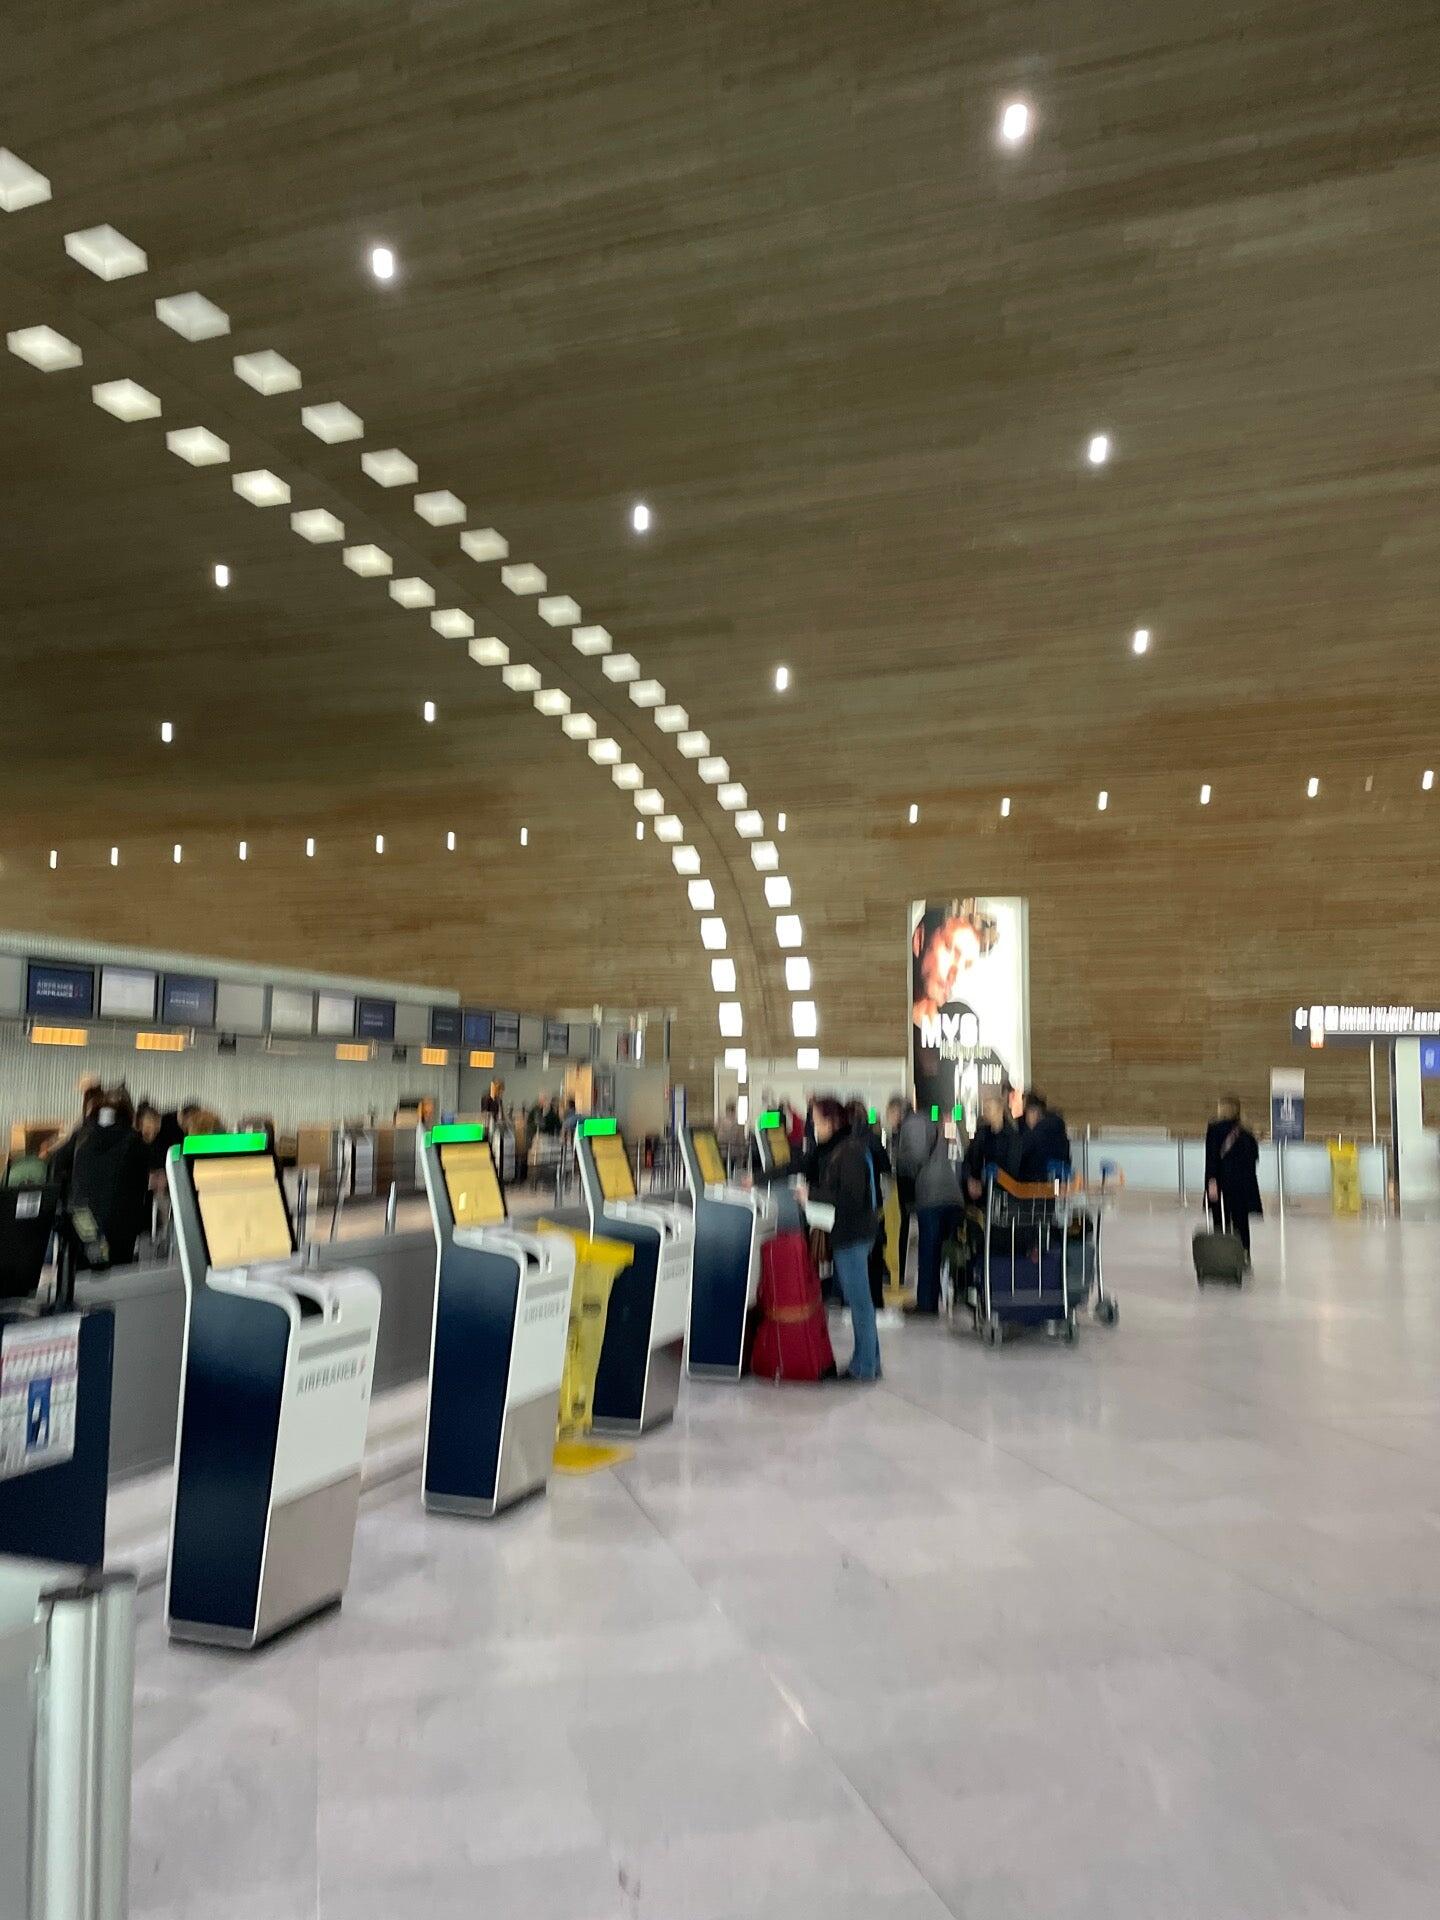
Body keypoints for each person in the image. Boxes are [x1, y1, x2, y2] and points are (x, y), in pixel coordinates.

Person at [752, 1095, 882, 1381]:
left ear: (832, 1121)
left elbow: (850, 1198)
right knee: (860, 1300)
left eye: (817, 1120)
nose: (813, 1125)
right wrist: (757, 1179)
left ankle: (864, 1368)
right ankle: (871, 1362)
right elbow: (796, 1165)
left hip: (854, 1235)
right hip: (849, 1233)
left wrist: (812, 1195)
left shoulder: (849, 1152)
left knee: (859, 1301)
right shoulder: (831, 1149)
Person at [69, 1088, 152, 1267]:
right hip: (121, 1226)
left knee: (82, 1280)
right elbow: (143, 1182)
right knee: (118, 1280)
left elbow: (59, 1168)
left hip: (83, 1222)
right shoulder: (134, 1142)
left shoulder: (81, 1137)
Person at [912, 1124, 965, 1315]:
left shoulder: (920, 1148)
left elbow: (909, 1168)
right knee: (953, 1252)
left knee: (929, 1253)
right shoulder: (951, 1143)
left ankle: (927, 1304)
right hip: (955, 1201)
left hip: (931, 1202)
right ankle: (958, 1296)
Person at [1205, 1096, 1261, 1266]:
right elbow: (1254, 1158)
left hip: (1222, 1183)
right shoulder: (1247, 1131)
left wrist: (1211, 1181)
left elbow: (1212, 1157)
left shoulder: (1215, 1129)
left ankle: (1222, 1256)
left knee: (1220, 1220)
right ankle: (1244, 1254)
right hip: (1243, 1184)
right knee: (1241, 1222)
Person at [889, 1095, 936, 1288]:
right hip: (913, 1186)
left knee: (913, 1231)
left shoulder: (912, 1124)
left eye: (890, 1112)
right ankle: (908, 1277)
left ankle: (911, 1279)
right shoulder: (909, 1125)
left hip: (915, 1187)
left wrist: (907, 1174)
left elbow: (917, 1157)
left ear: (898, 1111)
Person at [1017, 1090, 1071, 1183]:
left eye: (1025, 1112)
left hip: (1037, 1184)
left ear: (1033, 1112)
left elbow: (1021, 1151)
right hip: (1057, 1182)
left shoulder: (1038, 1132)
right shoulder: (1056, 1125)